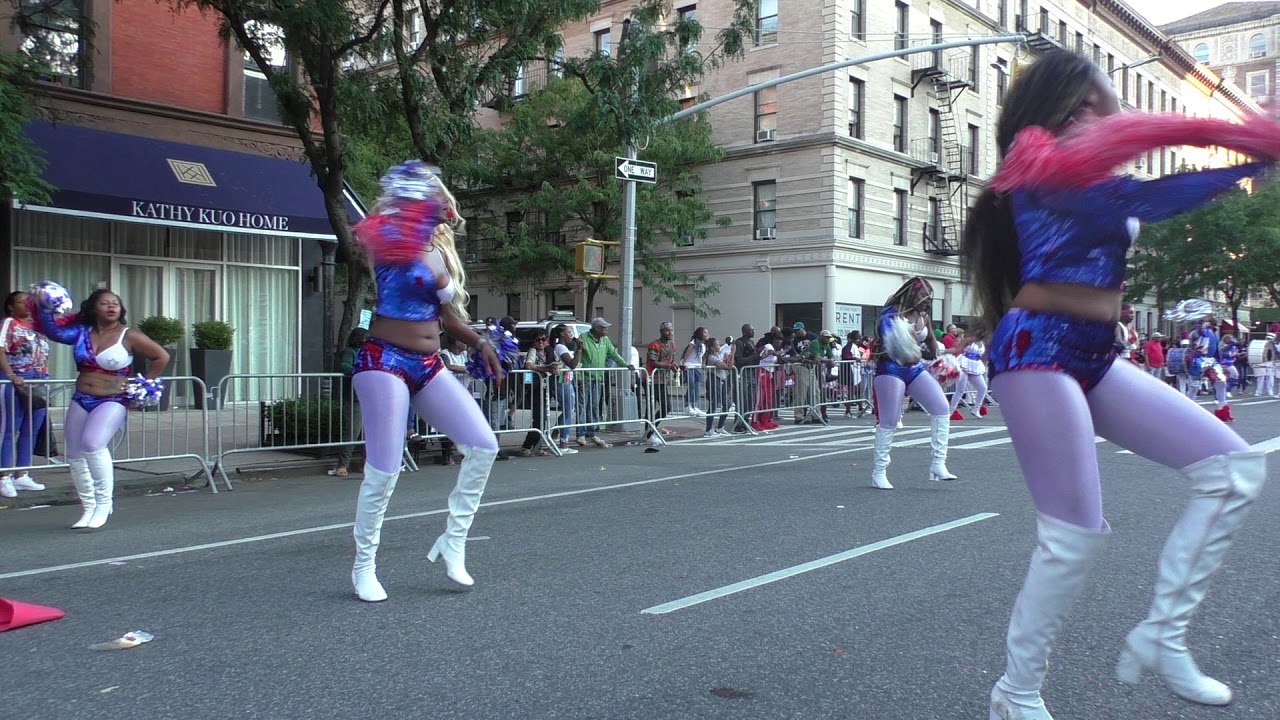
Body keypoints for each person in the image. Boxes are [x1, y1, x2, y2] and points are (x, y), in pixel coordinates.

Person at [963, 50, 1277, 719]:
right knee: (1074, 532)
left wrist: (1252, 159)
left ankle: (1164, 635)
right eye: (1091, 105)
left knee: (1234, 468)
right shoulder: (1035, 161)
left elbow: (1133, 194)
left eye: (1107, 108)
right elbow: (1141, 198)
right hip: (1037, 349)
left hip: (1095, 352)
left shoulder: (1092, 173)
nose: (1106, 118)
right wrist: (1242, 153)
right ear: (1056, 108)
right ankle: (1016, 695)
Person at [347, 161, 503, 603]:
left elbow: (446, 317)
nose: (440, 205)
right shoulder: (391, 240)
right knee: (384, 469)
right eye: (428, 196)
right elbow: (367, 234)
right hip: (384, 360)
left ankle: (453, 542)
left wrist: (480, 342)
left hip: (428, 363)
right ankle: (364, 566)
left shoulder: (437, 249)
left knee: (484, 445)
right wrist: (403, 205)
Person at [27, 287, 169, 529]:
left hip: (113, 399)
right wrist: (44, 305)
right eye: (105, 303)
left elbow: (161, 356)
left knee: (92, 444)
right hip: (81, 398)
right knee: (74, 455)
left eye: (115, 303)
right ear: (94, 308)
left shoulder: (129, 335)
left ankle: (104, 504)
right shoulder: (81, 332)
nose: (111, 306)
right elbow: (53, 332)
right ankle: (89, 506)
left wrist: (145, 385)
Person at [868, 277, 957, 489]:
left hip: (914, 369)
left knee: (941, 407)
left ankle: (938, 464)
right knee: (889, 421)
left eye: (929, 296)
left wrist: (941, 359)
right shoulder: (890, 314)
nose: (927, 300)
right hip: (891, 369)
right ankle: (879, 472)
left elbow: (931, 342)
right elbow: (898, 348)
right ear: (911, 294)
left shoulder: (923, 316)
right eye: (922, 295)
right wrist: (919, 352)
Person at [0, 291, 51, 497]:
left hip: (38, 382)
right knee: (9, 429)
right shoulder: (9, 323)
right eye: (22, 302)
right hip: (15, 380)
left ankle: (22, 474)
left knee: (32, 429)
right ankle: (3, 476)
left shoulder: (37, 327)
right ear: (11, 306)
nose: (27, 305)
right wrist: (11, 374)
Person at [576, 317, 631, 448]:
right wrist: (578, 377)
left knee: (594, 406)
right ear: (596, 328)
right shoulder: (583, 337)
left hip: (598, 378)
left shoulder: (605, 340)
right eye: (603, 327)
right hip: (585, 377)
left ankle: (592, 432)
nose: (606, 329)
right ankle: (581, 433)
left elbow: (613, 354)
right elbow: (578, 357)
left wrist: (626, 364)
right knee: (582, 406)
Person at [328, 328, 368, 477]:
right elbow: (345, 366)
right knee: (353, 432)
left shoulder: (366, 353)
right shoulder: (350, 352)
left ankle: (366, 464)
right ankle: (343, 464)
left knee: (368, 434)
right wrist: (360, 371)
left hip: (367, 397)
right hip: (355, 397)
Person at [518, 330, 555, 457]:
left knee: (543, 418)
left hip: (545, 387)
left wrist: (555, 368)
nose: (540, 342)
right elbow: (529, 365)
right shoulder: (533, 351)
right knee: (539, 418)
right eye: (538, 340)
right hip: (534, 388)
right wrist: (545, 369)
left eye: (543, 339)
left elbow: (558, 363)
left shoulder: (549, 351)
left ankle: (537, 446)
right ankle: (527, 446)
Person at [548, 325, 579, 454]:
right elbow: (572, 364)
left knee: (569, 410)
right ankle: (563, 443)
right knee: (569, 411)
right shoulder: (560, 347)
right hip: (563, 381)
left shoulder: (563, 347)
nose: (571, 334)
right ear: (562, 334)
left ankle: (555, 432)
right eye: (569, 332)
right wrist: (579, 349)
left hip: (566, 380)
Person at [645, 322, 677, 446]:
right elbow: (653, 362)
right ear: (662, 331)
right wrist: (669, 366)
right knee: (651, 407)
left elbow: (671, 362)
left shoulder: (672, 346)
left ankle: (650, 430)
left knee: (665, 407)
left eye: (671, 330)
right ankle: (649, 433)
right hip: (651, 379)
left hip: (663, 380)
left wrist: (676, 366)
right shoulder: (654, 344)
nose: (670, 332)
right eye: (667, 330)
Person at [947, 328, 989, 420]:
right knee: (960, 390)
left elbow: (984, 356)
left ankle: (976, 409)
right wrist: (943, 351)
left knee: (983, 387)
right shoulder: (968, 340)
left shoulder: (982, 342)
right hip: (964, 364)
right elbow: (956, 349)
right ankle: (950, 411)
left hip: (975, 366)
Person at [681, 327, 709, 417]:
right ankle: (687, 406)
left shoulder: (704, 345)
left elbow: (704, 356)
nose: (707, 334)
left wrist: (703, 364)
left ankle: (694, 405)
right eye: (705, 333)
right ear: (700, 334)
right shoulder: (694, 342)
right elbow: (688, 352)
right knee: (691, 385)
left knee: (697, 386)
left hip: (696, 367)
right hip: (689, 366)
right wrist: (684, 363)